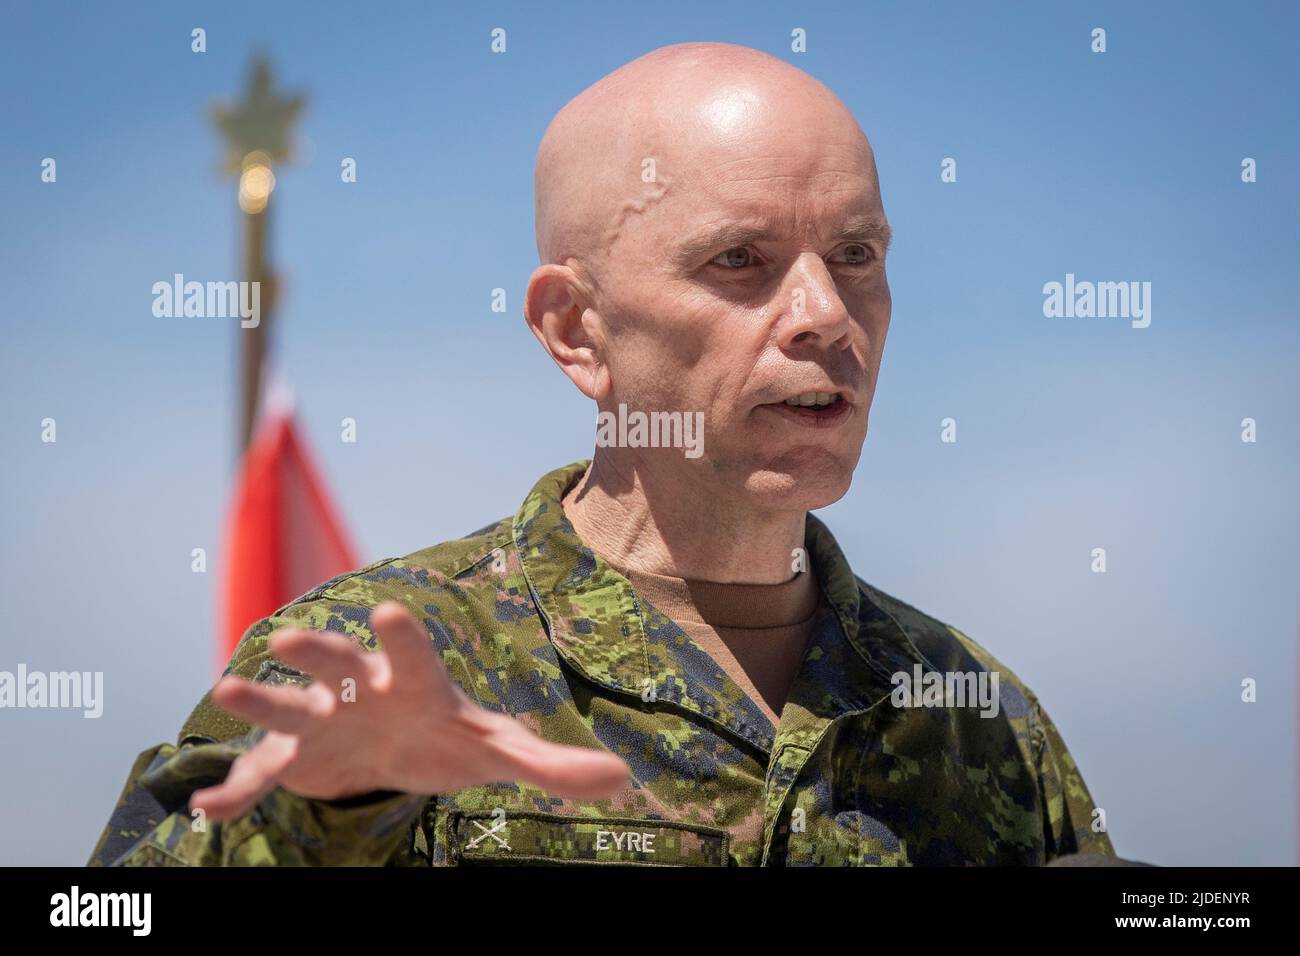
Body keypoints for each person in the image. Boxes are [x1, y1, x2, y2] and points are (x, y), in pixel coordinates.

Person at [89, 42, 1113, 867]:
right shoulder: (384, 661)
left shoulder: (970, 710)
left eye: (855, 254)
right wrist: (329, 814)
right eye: (739, 260)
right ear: (577, 330)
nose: (825, 313)